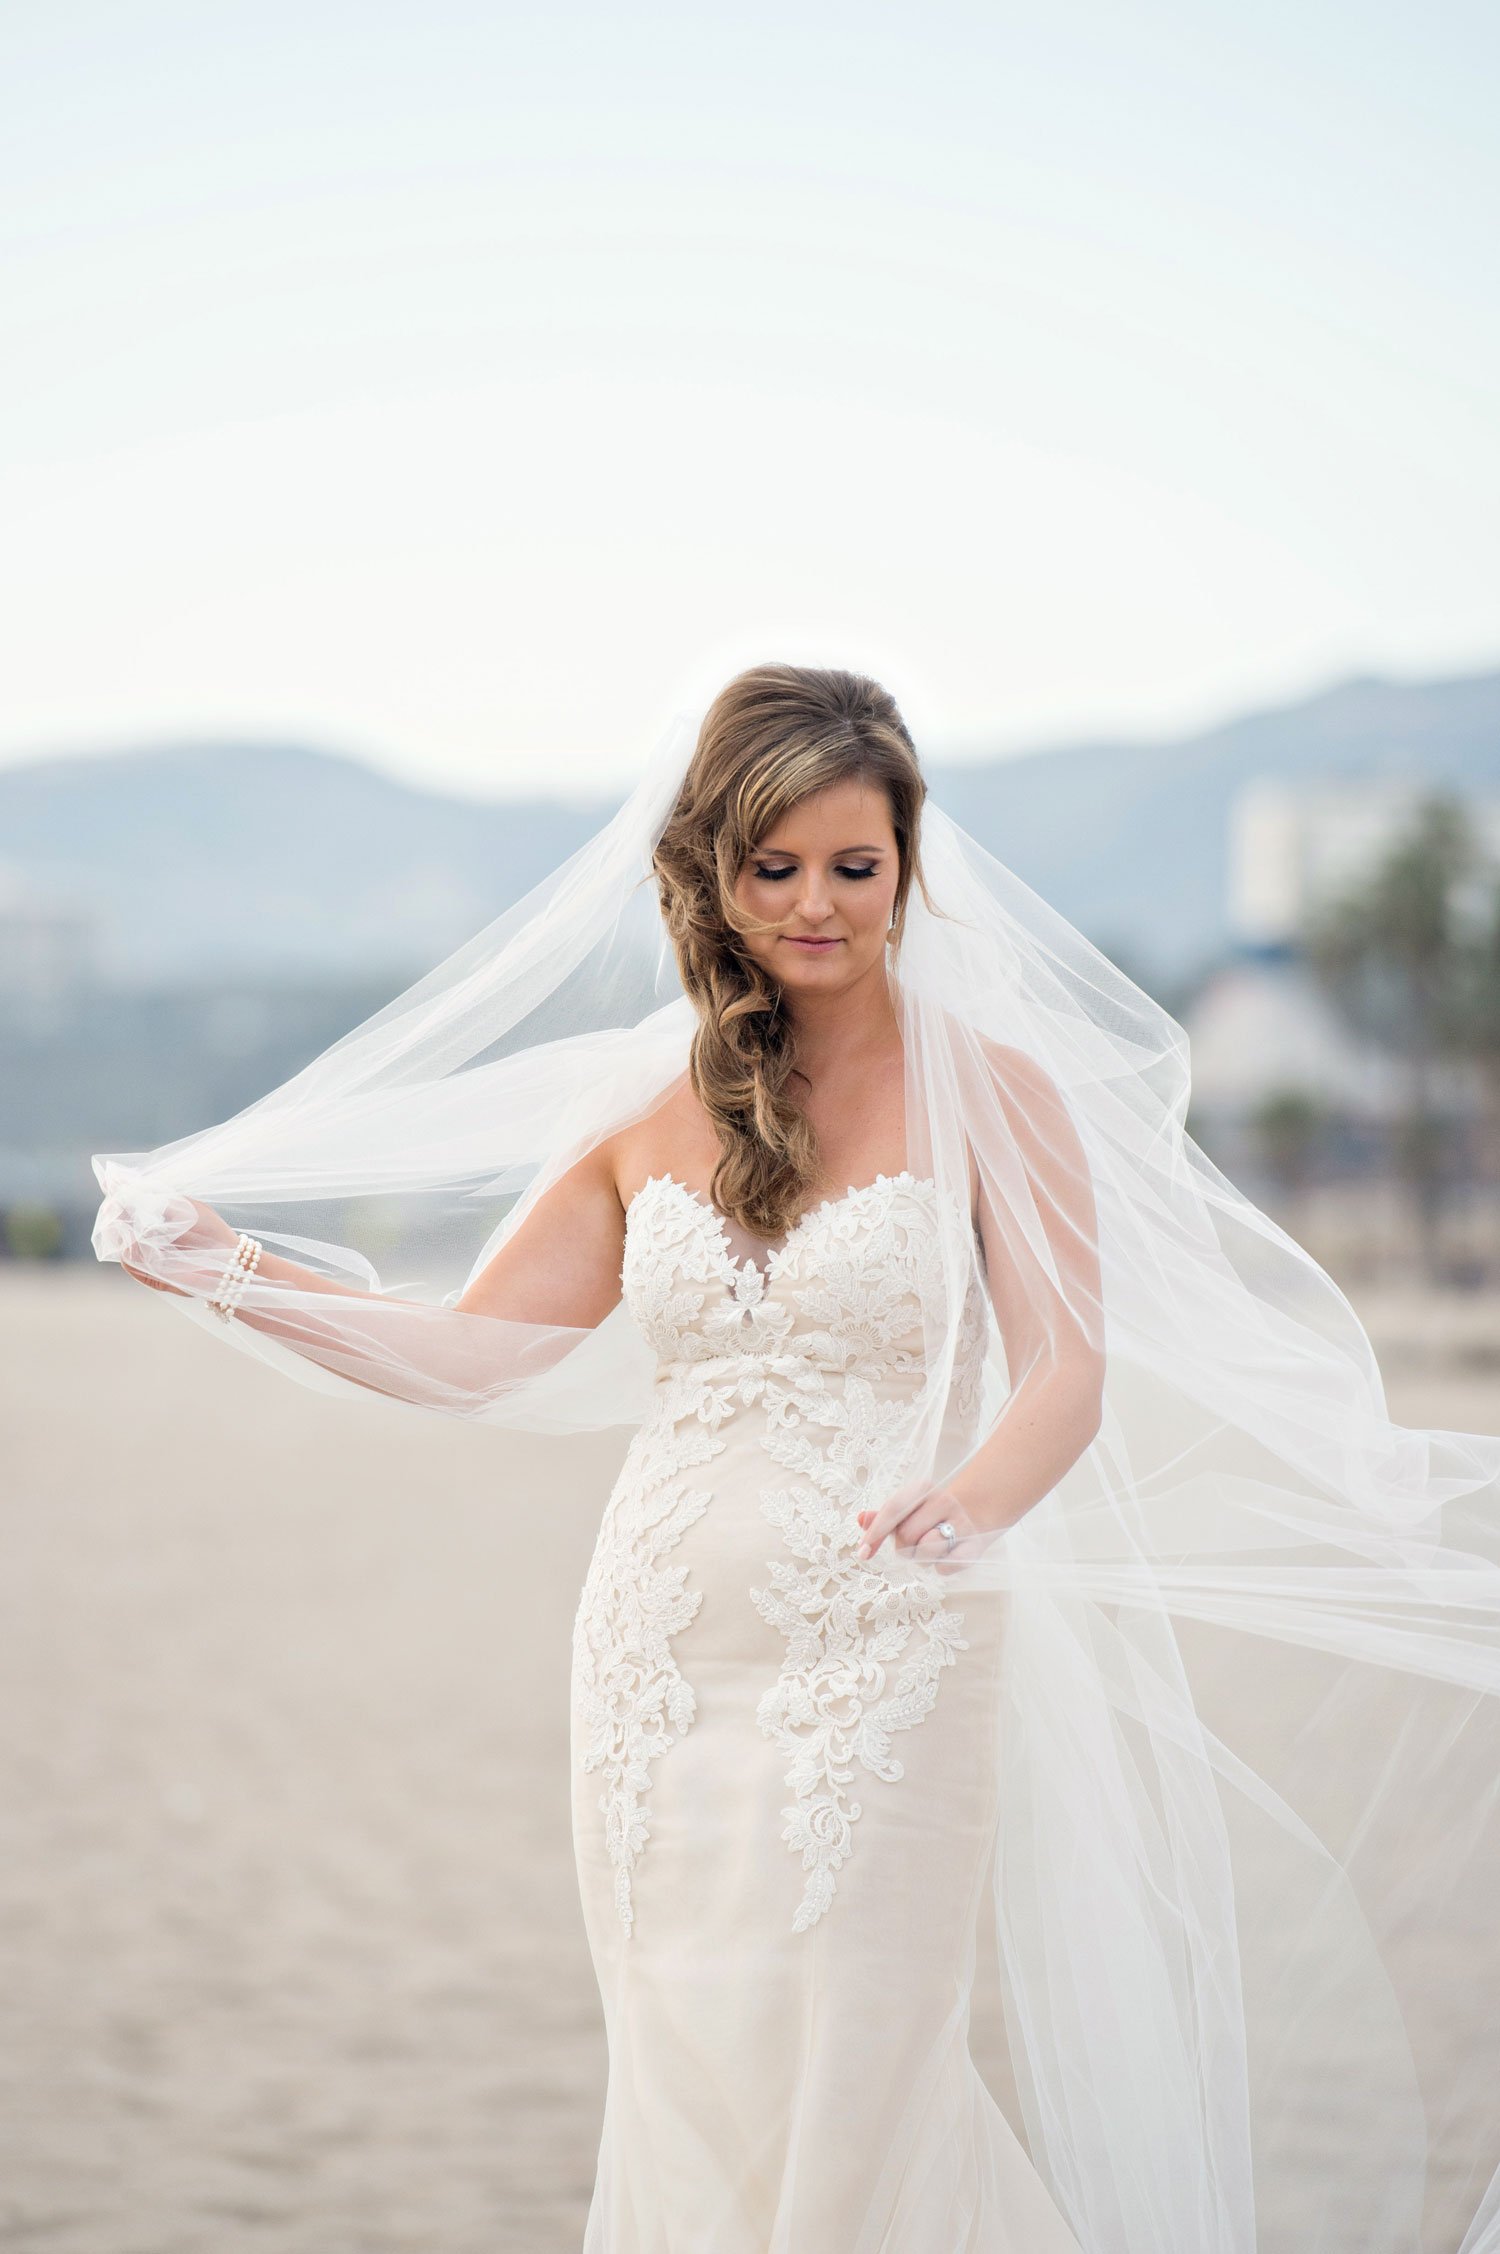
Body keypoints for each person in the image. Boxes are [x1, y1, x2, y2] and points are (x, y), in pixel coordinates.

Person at [95, 665, 1500, 2252]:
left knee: (866, 2089)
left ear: (907, 864)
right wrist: (234, 1273)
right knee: (696, 2078)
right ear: (715, 869)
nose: (821, 904)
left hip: (892, 1644)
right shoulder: (643, 1100)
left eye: (858, 864)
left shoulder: (997, 1092)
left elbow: (1067, 1371)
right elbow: (477, 1353)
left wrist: (970, 1502)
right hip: (655, 1670)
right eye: (778, 866)